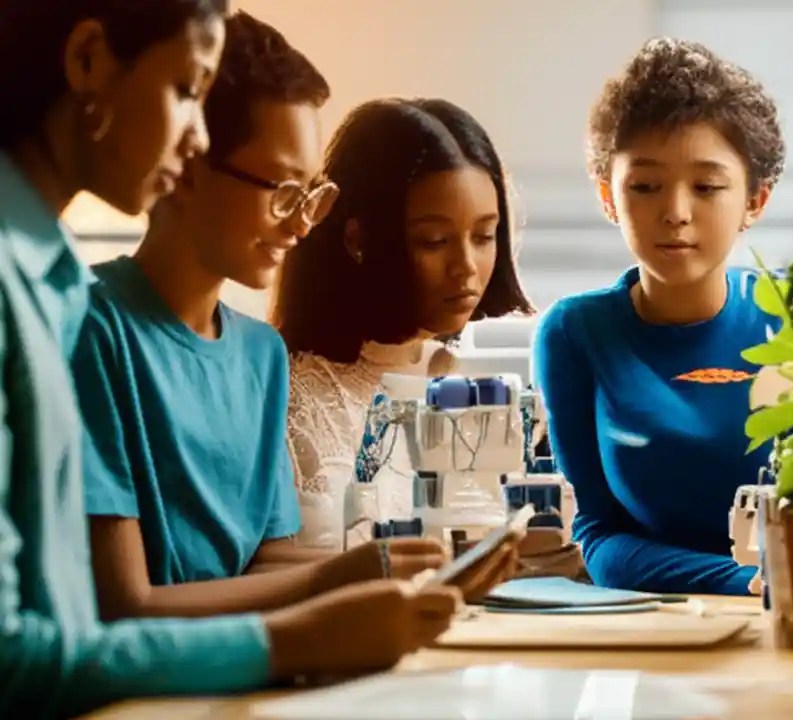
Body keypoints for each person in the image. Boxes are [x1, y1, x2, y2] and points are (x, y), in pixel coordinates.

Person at [0, 2, 475, 716]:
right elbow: (66, 636)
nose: (193, 139)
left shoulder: (54, 285)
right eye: (187, 90)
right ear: (88, 60)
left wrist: (367, 579)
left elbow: (250, 565)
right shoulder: (72, 312)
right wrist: (298, 634)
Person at [69, 12, 510, 620]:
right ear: (188, 159)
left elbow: (266, 568)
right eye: (282, 191)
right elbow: (124, 602)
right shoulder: (92, 327)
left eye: (312, 194)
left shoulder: (258, 353)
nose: (302, 221)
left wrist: (426, 569)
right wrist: (345, 575)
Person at [531, 37, 784, 595]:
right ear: (607, 196)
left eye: (707, 186)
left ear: (755, 201)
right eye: (644, 187)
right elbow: (598, 536)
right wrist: (747, 581)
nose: (675, 213)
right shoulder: (574, 334)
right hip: (649, 629)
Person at [272, 97, 534, 548]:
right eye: (435, 241)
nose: (467, 266)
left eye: (484, 236)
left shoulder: (482, 385)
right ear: (359, 238)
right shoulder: (284, 395)